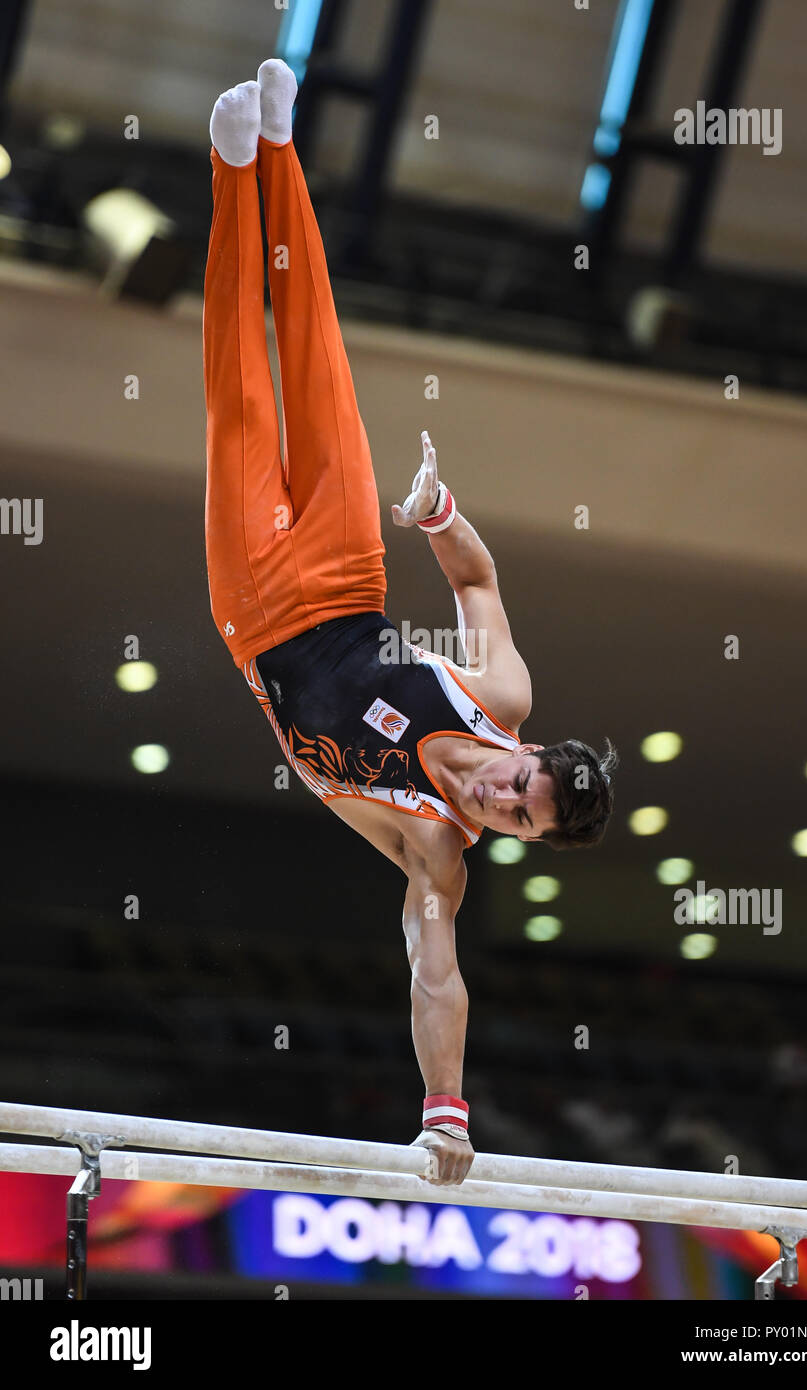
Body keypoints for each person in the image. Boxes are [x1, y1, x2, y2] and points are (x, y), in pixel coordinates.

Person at [204, 61, 617, 1186]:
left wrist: (446, 1108)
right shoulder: (502, 700)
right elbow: (477, 588)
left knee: (242, 387)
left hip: (259, 621)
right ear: (528, 752)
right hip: (347, 573)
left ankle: (227, 170)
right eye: (519, 784)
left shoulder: (436, 850)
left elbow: (434, 975)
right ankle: (280, 151)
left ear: (518, 839)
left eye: (517, 820)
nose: (498, 799)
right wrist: (439, 517)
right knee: (320, 362)